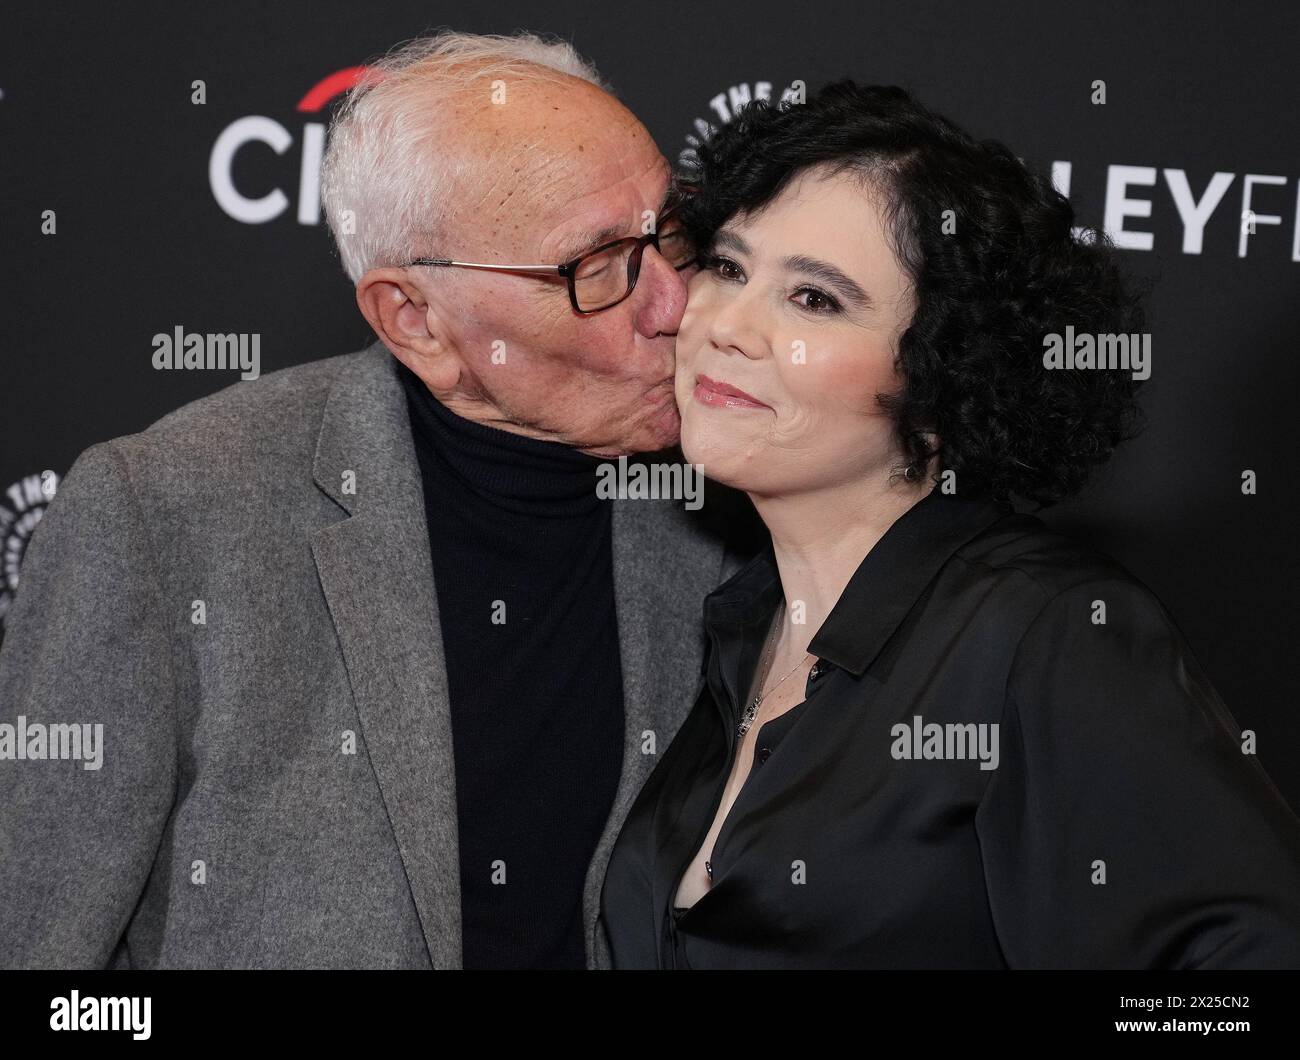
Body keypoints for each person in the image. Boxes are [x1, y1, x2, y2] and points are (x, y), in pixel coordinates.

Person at [0, 31, 756, 970]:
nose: (677, 302)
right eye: (597, 265)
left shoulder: (736, 511)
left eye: (671, 232)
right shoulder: (165, 514)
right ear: (416, 320)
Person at [599, 80, 1300, 968]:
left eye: (815, 300)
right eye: (729, 267)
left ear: (941, 380)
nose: (727, 325)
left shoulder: (1043, 632)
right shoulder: (740, 626)